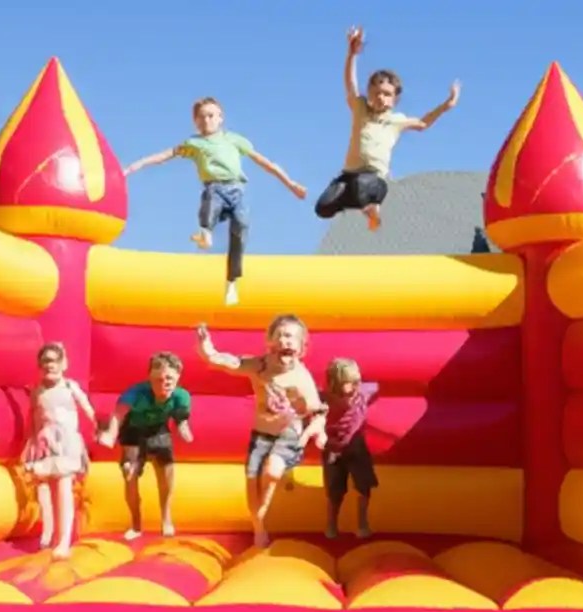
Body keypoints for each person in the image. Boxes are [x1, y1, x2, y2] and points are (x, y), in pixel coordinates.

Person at [124, 97, 308, 306]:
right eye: (201, 117)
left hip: (237, 190)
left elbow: (266, 163)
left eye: (211, 116)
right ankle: (206, 232)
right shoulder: (195, 144)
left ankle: (231, 282)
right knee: (210, 200)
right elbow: (165, 155)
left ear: (220, 118)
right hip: (215, 188)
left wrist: (291, 184)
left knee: (241, 228)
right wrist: (135, 166)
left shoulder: (234, 140)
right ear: (195, 122)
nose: (206, 121)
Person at [314, 26, 462, 231]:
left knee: (362, 185)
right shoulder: (360, 108)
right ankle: (362, 205)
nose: (380, 98)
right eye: (376, 93)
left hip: (375, 180)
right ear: (369, 93)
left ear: (395, 99)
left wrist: (447, 105)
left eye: (386, 94)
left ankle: (373, 207)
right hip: (348, 176)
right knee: (323, 208)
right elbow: (350, 83)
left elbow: (423, 123)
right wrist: (351, 54)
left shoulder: (396, 120)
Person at [196, 315, 325, 548]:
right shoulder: (260, 366)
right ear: (270, 342)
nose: (285, 341)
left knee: (272, 471)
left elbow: (317, 409)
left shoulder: (301, 378)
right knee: (252, 483)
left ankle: (262, 515)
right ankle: (259, 525)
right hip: (261, 433)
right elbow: (227, 362)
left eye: (291, 337)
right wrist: (206, 348)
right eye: (281, 336)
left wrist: (316, 432)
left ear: (301, 348)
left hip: (288, 433)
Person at [96, 352, 194, 540]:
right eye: (158, 379)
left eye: (169, 378)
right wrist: (110, 434)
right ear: (150, 377)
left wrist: (184, 429)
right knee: (129, 474)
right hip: (133, 433)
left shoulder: (181, 396)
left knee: (166, 472)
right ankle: (136, 524)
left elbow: (181, 419)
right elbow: (118, 414)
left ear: (178, 378)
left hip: (158, 431)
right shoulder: (136, 393)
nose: (163, 383)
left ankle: (166, 519)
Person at [21, 342, 96, 559]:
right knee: (49, 489)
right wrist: (32, 442)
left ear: (64, 364)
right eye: (45, 362)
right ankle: (53, 533)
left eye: (54, 361)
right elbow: (34, 418)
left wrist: (100, 427)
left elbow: (88, 409)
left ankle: (64, 540)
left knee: (63, 487)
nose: (50, 366)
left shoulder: (70, 387)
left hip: (67, 442)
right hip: (47, 442)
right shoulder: (38, 391)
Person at [319, 358, 381, 539]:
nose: (355, 386)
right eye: (349, 383)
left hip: (356, 445)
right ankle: (331, 526)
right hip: (332, 448)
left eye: (357, 381)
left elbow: (377, 387)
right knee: (334, 491)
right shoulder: (323, 399)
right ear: (334, 383)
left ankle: (363, 524)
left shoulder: (364, 391)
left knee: (364, 486)